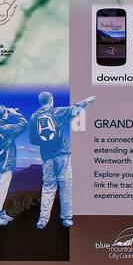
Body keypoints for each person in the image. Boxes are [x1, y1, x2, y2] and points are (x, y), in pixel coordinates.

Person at [28, 91, 96, 229]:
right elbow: (74, 109)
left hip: (47, 157)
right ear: (51, 100)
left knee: (48, 187)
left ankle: (42, 220)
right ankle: (66, 219)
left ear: (40, 102)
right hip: (62, 154)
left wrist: (44, 140)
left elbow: (32, 140)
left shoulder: (34, 117)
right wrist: (87, 100)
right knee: (65, 186)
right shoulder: (57, 111)